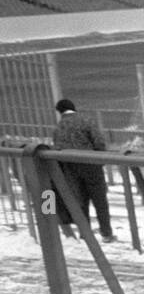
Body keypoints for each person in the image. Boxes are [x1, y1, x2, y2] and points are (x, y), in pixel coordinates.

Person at [52, 99, 116, 242]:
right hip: (91, 164)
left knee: (80, 201)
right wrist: (100, 160)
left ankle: (85, 233)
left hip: (71, 168)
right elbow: (99, 141)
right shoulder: (87, 121)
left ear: (60, 111)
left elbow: (57, 148)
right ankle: (106, 233)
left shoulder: (58, 127)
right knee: (100, 201)